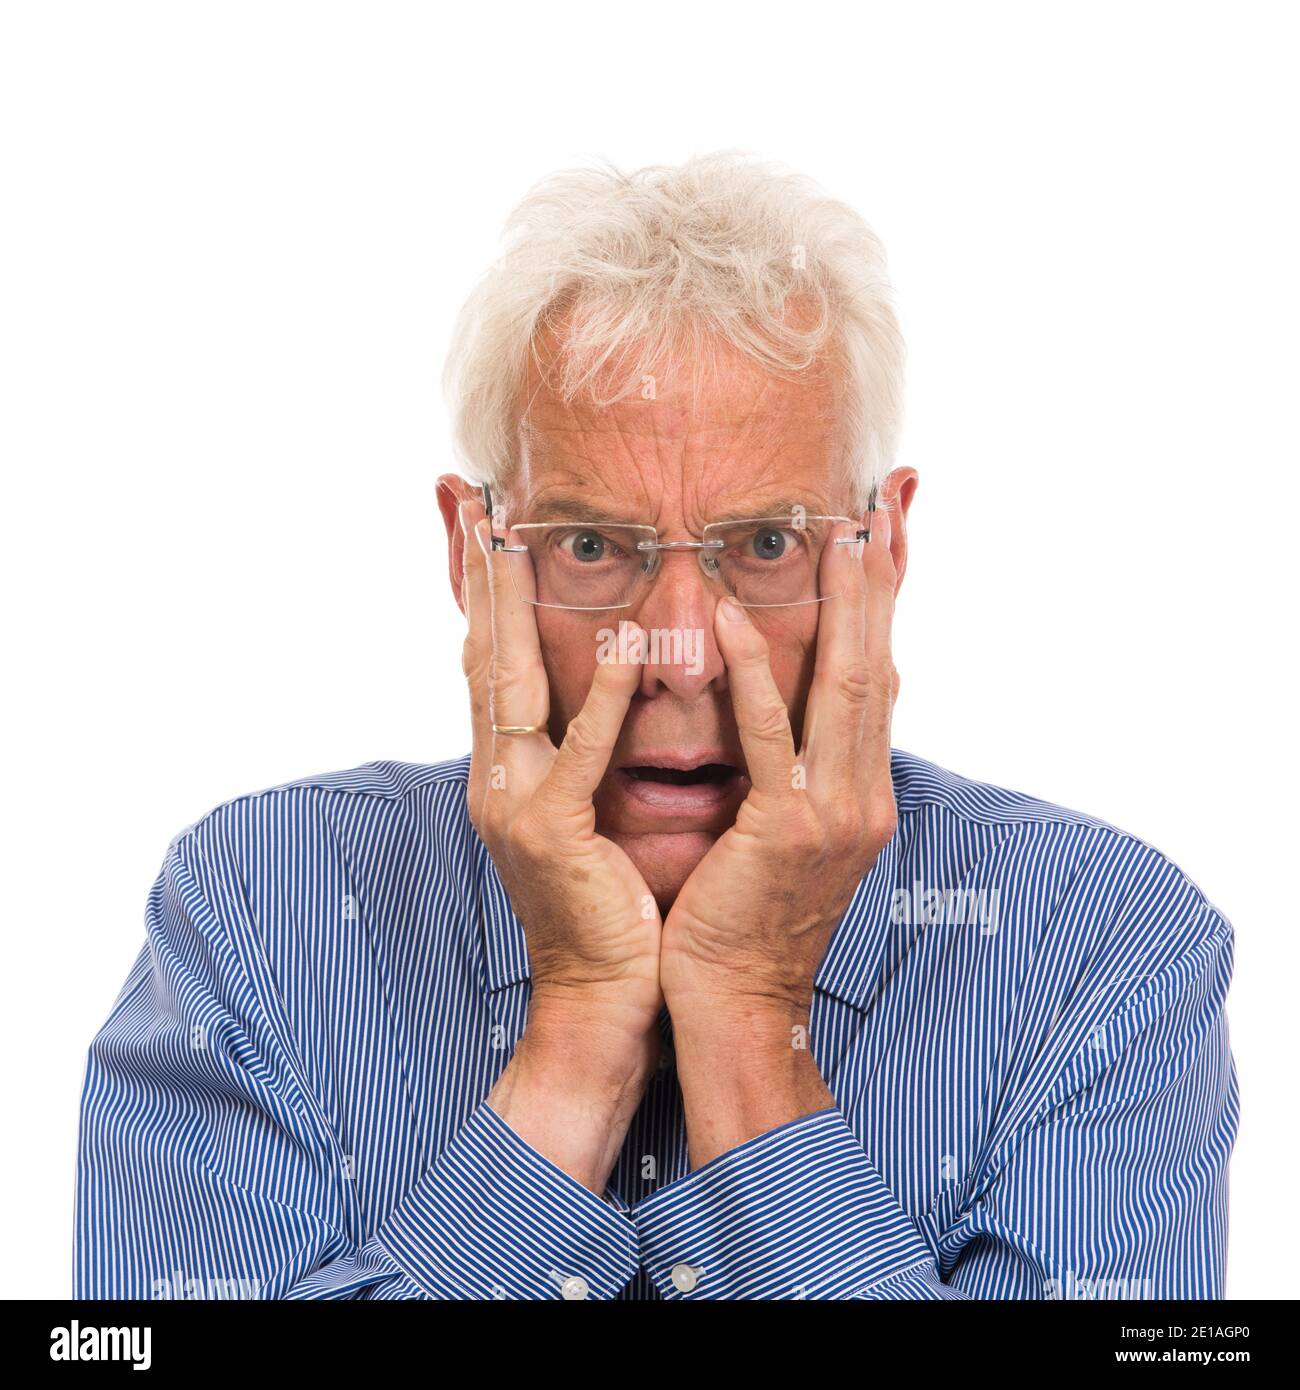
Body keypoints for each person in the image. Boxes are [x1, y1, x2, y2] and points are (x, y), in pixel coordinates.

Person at [75, 154, 1237, 1300]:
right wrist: (574, 1039)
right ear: (471, 557)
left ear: (883, 549)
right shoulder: (260, 909)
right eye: (590, 547)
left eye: (766, 544)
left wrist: (745, 1024)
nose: (679, 655)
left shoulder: (1102, 953)